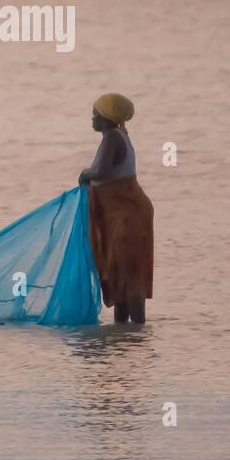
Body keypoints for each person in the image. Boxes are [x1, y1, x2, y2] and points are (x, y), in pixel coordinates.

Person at [80, 93, 154, 324]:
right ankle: (125, 336)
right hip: (126, 214)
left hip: (125, 218)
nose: (92, 119)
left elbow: (100, 173)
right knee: (123, 275)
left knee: (130, 277)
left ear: (107, 118)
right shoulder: (119, 135)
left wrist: (84, 174)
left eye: (96, 115)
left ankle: (136, 331)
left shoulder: (112, 137)